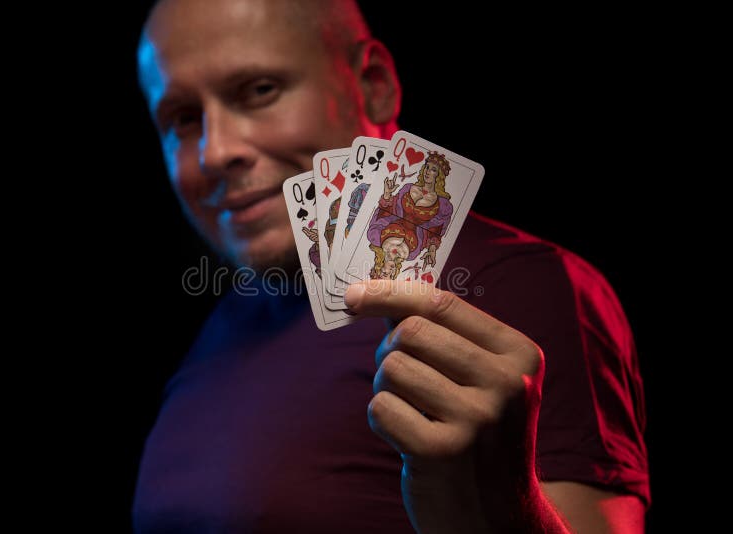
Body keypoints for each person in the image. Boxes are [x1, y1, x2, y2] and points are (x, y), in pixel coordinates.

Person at [134, 0, 649, 532]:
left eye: (259, 90)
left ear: (375, 84)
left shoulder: (527, 286)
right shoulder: (224, 323)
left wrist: (500, 511)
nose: (213, 152)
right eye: (182, 119)